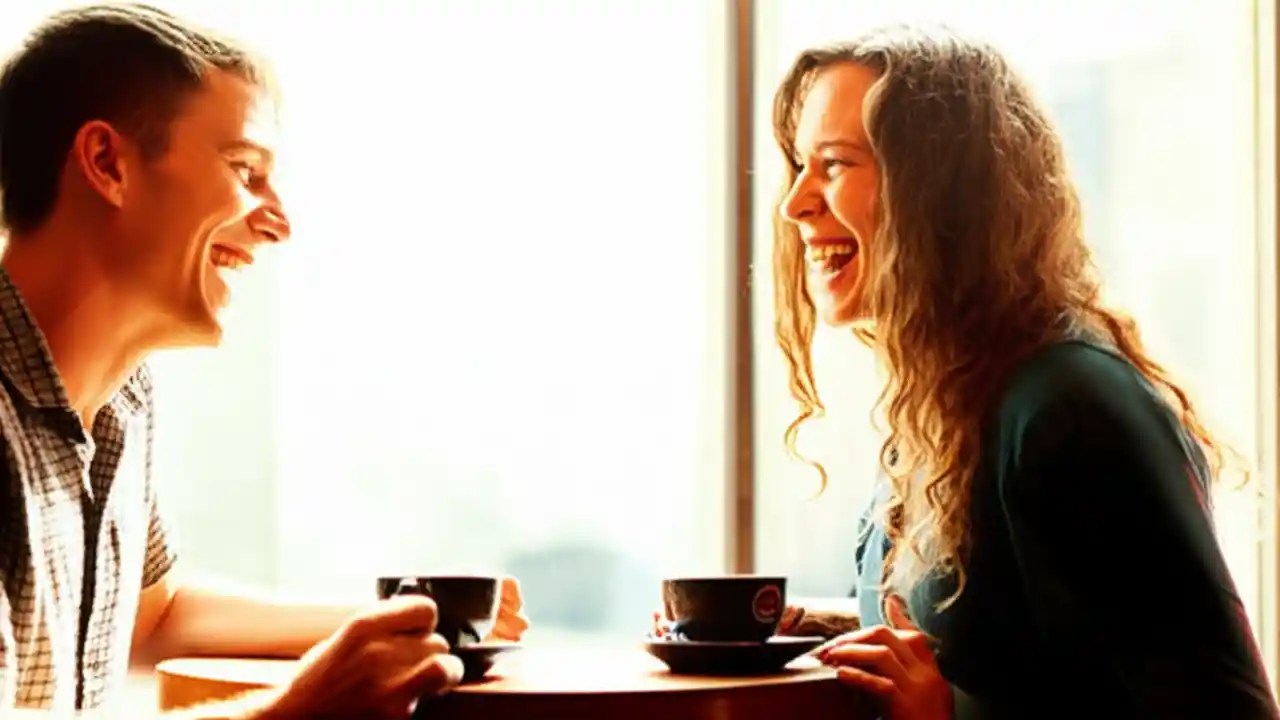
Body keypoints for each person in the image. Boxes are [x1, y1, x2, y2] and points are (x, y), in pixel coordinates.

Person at [0, 4, 526, 717]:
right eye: (245, 170)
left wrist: (413, 620)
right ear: (106, 163)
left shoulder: (124, 401)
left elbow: (153, 615)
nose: (279, 222)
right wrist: (291, 712)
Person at [768, 23, 1280, 719]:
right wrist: (823, 634)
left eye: (834, 165)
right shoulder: (950, 406)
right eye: (800, 166)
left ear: (938, 194)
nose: (795, 203)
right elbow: (1022, 649)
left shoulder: (1068, 406)